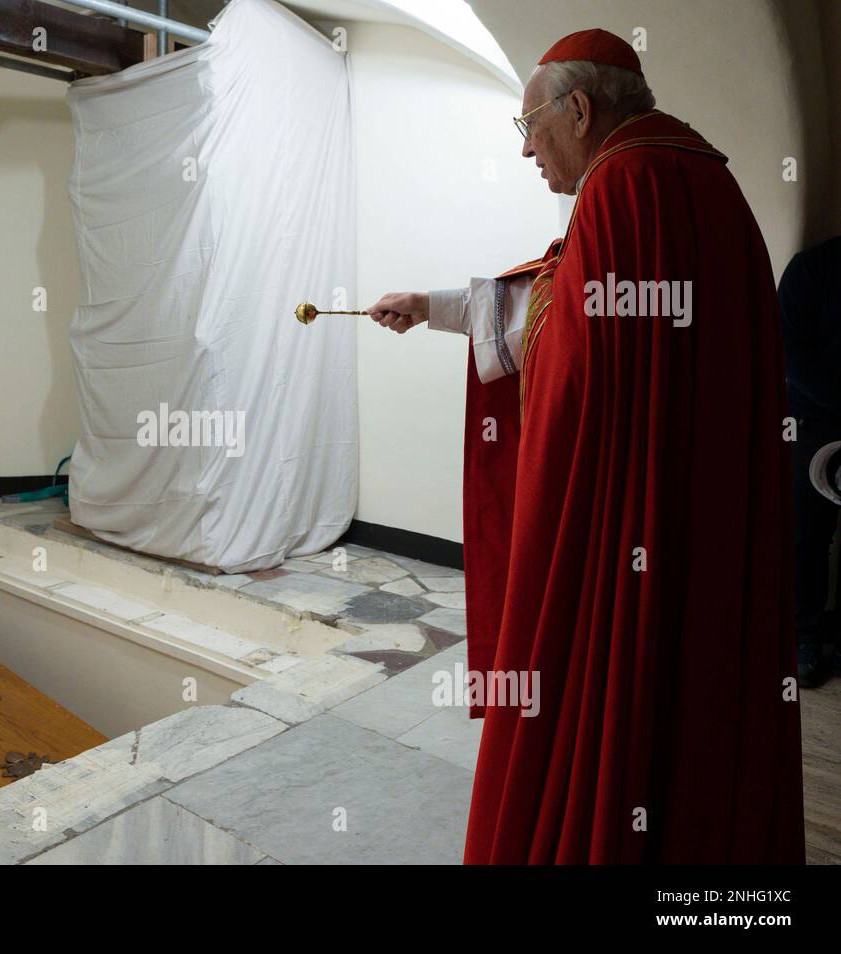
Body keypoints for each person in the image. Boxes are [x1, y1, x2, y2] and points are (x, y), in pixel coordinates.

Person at [370, 29, 805, 863]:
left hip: (622, 530)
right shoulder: (703, 178)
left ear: (578, 109)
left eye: (529, 125)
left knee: (615, 699)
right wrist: (431, 305)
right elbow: (564, 304)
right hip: (703, 508)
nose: (528, 147)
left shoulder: (621, 186)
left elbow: (572, 365)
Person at [779, 237, 841, 687]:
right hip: (813, 421)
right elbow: (787, 352)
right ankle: (804, 636)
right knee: (806, 535)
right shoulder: (811, 268)